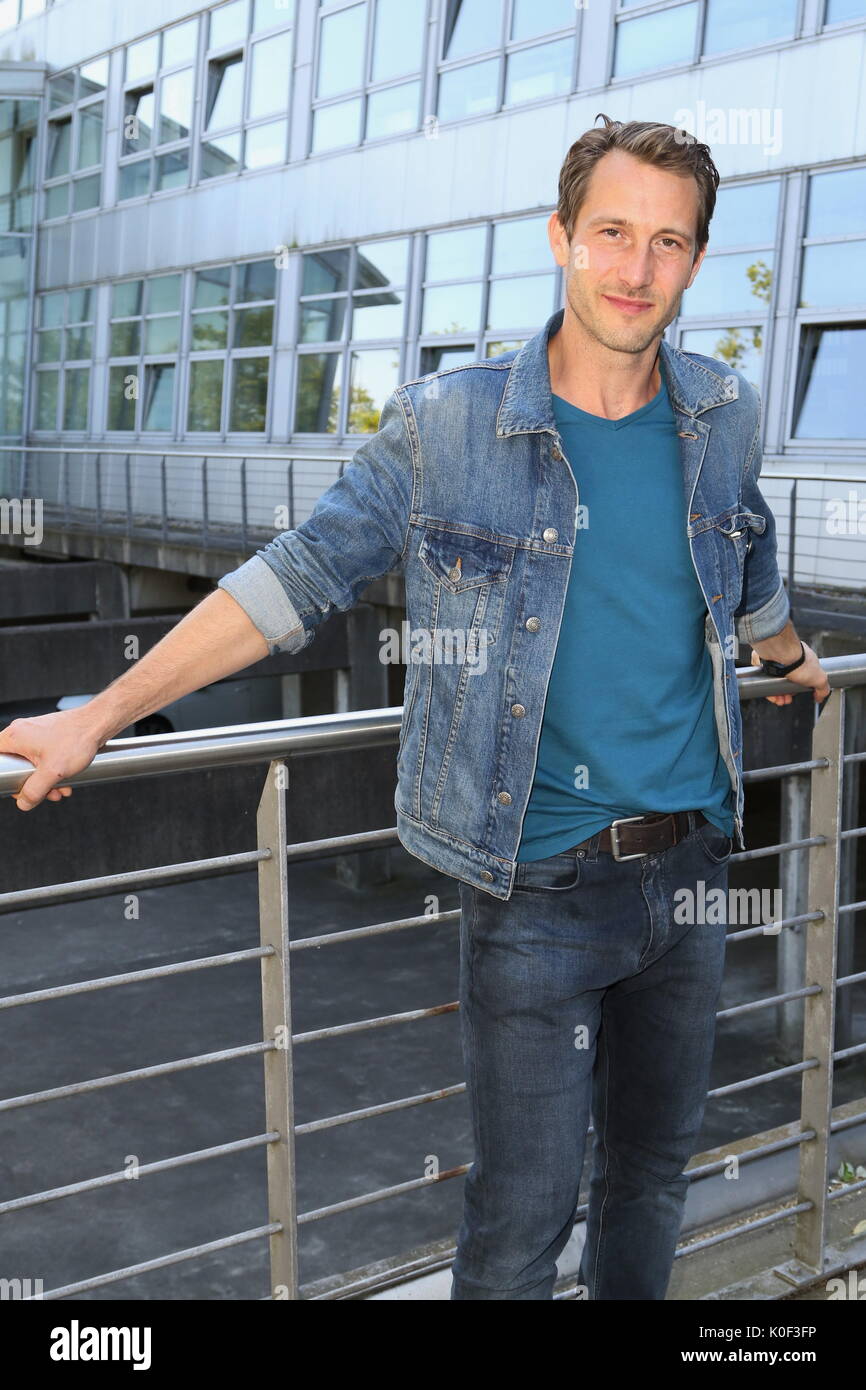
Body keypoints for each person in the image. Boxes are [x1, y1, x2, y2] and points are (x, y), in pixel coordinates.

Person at [0, 115, 830, 1300]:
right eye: (609, 232)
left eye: (665, 242)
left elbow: (742, 564)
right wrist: (99, 712)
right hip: (536, 887)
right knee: (516, 1227)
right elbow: (293, 577)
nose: (634, 270)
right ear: (559, 237)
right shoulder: (450, 424)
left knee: (649, 1179)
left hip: (691, 872)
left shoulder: (720, 413)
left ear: (694, 261)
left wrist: (791, 655)